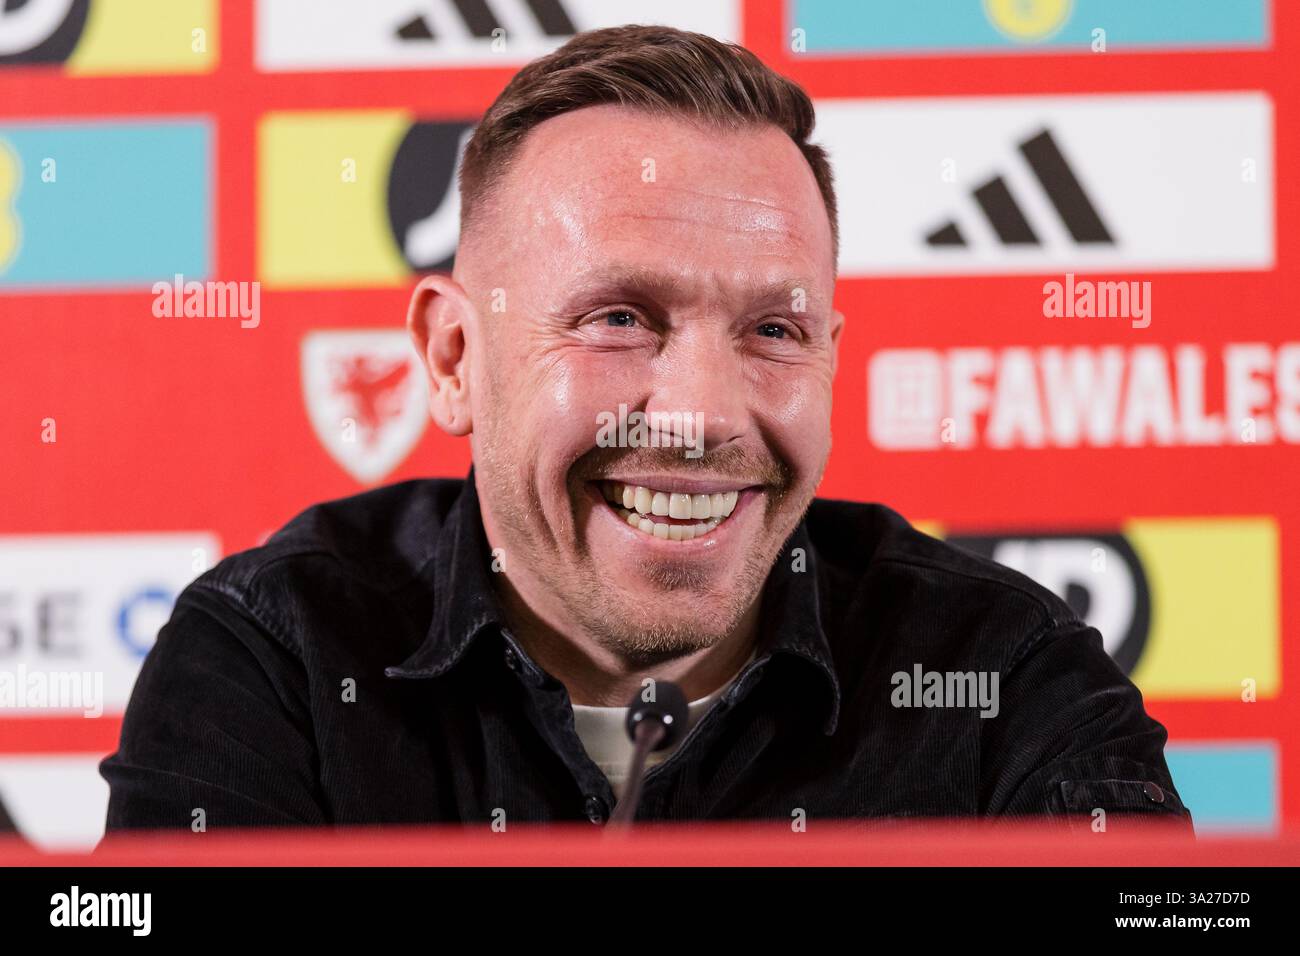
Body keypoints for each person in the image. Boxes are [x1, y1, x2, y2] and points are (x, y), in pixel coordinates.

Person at [100, 25, 1191, 831]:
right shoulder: (275, 658)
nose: (704, 416)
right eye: (618, 317)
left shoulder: (1003, 674)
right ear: (452, 358)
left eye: (773, 328)